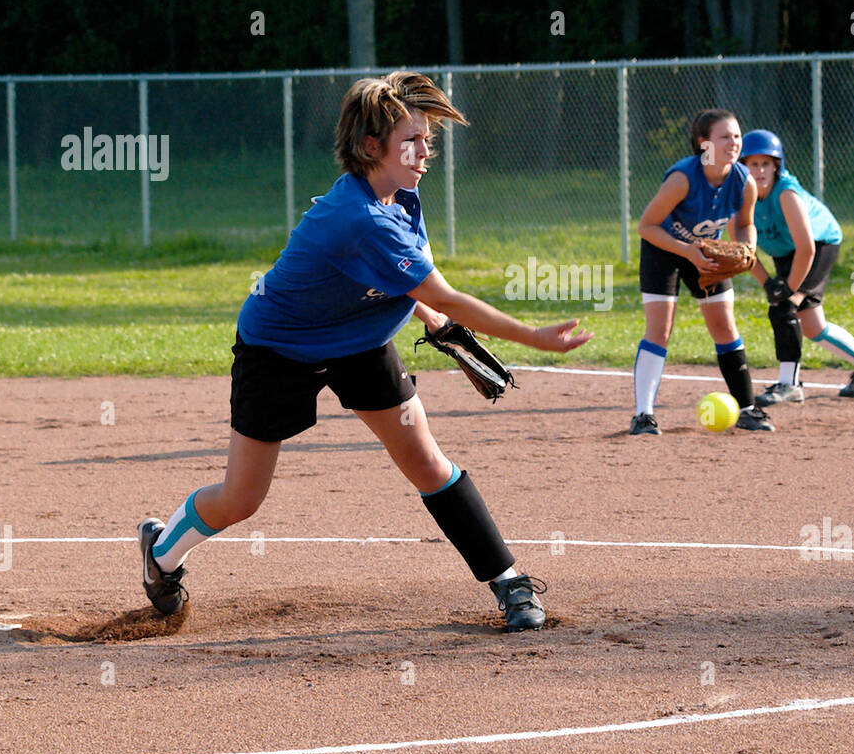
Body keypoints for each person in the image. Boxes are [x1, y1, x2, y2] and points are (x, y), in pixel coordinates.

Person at [137, 72, 592, 632]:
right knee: (241, 498)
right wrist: (534, 337)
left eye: (427, 138)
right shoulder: (359, 218)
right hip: (279, 349)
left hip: (362, 344)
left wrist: (429, 318)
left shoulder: (398, 190)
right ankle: (162, 554)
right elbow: (442, 291)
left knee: (427, 462)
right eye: (413, 139)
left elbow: (414, 275)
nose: (426, 150)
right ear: (371, 147)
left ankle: (509, 581)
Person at [629, 109, 773, 435]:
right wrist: (686, 252)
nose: (734, 142)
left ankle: (747, 408)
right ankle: (643, 416)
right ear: (703, 143)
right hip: (664, 250)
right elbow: (646, 226)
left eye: (737, 136)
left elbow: (746, 224)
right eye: (724, 136)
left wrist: (746, 249)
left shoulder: (743, 181)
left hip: (707, 253)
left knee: (723, 325)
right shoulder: (683, 179)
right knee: (660, 329)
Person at [737, 129, 854, 403]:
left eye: (766, 164)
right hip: (787, 251)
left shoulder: (786, 194)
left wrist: (788, 290)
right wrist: (768, 284)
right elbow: (744, 248)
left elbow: (807, 247)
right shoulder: (738, 198)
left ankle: (789, 385)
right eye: (753, 164)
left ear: (776, 167)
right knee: (812, 326)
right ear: (742, 167)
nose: (760, 170)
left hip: (819, 245)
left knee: (784, 308)